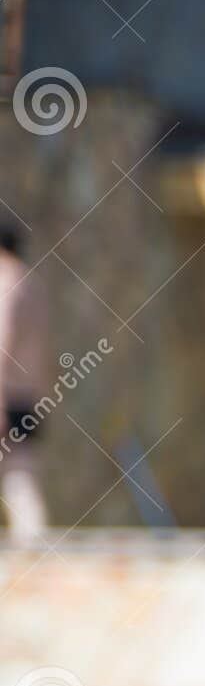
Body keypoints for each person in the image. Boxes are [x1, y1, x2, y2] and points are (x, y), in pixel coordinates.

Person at [0, 224, 49, 542]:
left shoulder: (7, 282)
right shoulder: (34, 285)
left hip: (6, 394)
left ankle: (32, 544)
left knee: (17, 475)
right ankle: (33, 540)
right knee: (22, 470)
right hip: (29, 394)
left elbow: (3, 343)